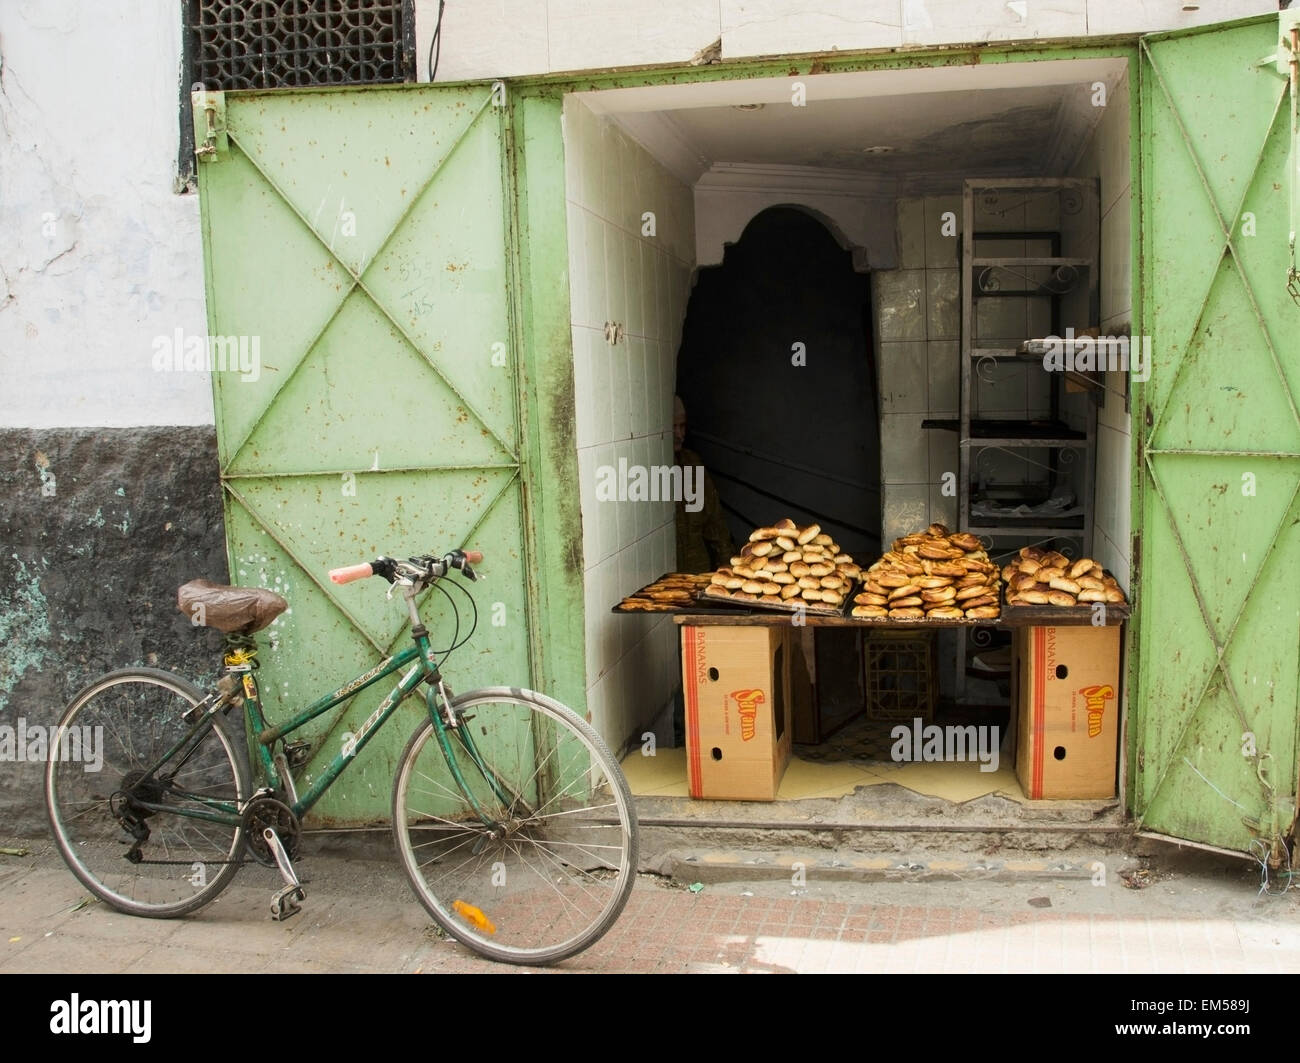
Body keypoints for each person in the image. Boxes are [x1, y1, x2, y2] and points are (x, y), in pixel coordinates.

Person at [673, 395, 735, 573]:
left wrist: (728, 567)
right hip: (664, 576)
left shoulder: (692, 463)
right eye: (673, 427)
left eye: (682, 426)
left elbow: (716, 524)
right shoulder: (648, 470)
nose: (680, 434)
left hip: (697, 571)